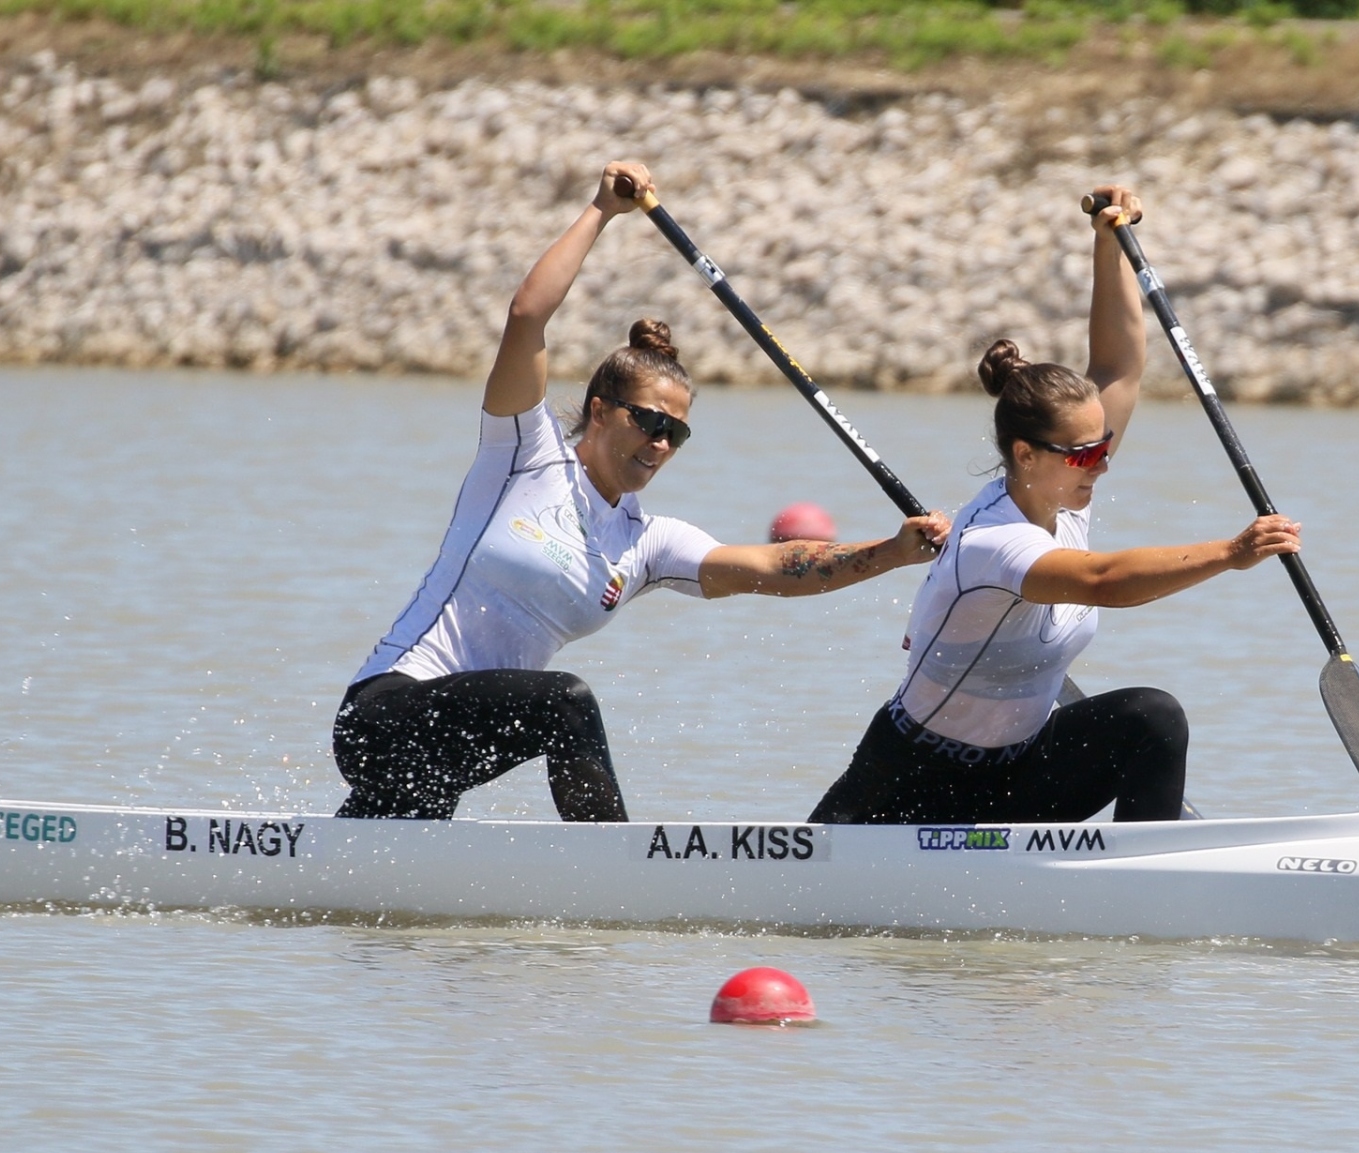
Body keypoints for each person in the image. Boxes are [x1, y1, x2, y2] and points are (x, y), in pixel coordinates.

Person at [335, 160, 949, 821]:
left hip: (449, 749)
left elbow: (774, 566)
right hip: (382, 714)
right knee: (565, 702)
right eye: (651, 422)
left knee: (388, 903)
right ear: (600, 411)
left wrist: (891, 551)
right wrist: (601, 210)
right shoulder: (522, 455)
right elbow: (526, 317)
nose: (661, 444)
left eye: (677, 435)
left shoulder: (647, 542)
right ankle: (617, 881)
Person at [809, 184, 1302, 826]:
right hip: (914, 782)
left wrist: (1108, 244)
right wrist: (1232, 553)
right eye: (1081, 455)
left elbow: (1121, 367)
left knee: (1151, 719)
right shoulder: (992, 540)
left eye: (1102, 449)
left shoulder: (1067, 484)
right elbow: (1104, 581)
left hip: (1018, 771)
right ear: (1024, 456)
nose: (1099, 464)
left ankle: (1144, 888)